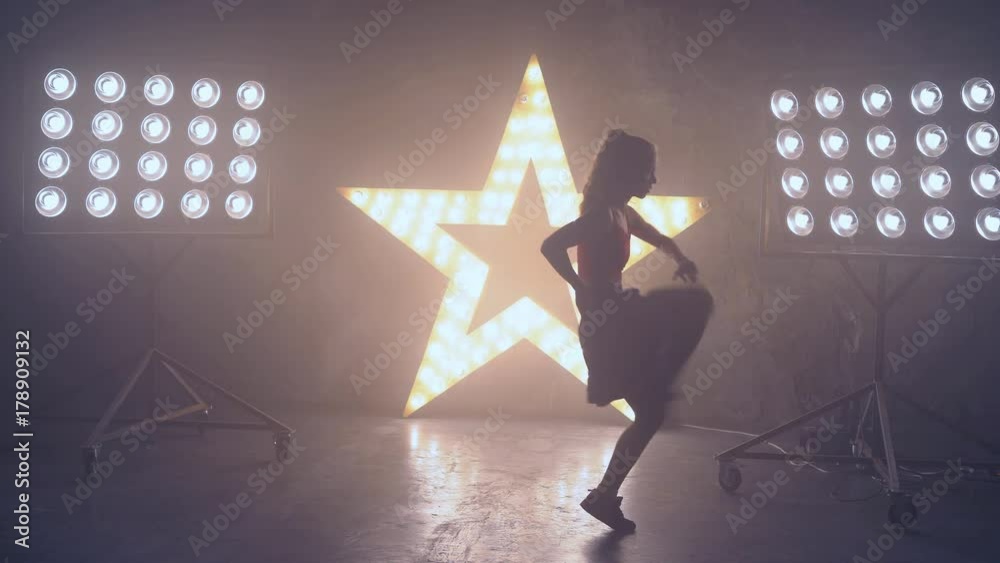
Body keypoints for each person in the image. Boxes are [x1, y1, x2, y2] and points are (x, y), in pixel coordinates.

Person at [541, 129, 713, 533]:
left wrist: (681, 257)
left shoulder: (622, 212)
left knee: (650, 414)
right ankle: (661, 380)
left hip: (621, 315)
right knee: (695, 304)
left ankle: (604, 496)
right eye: (649, 172)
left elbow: (661, 238)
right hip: (609, 324)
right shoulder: (602, 215)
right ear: (629, 171)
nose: (653, 180)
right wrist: (580, 287)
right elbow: (550, 245)